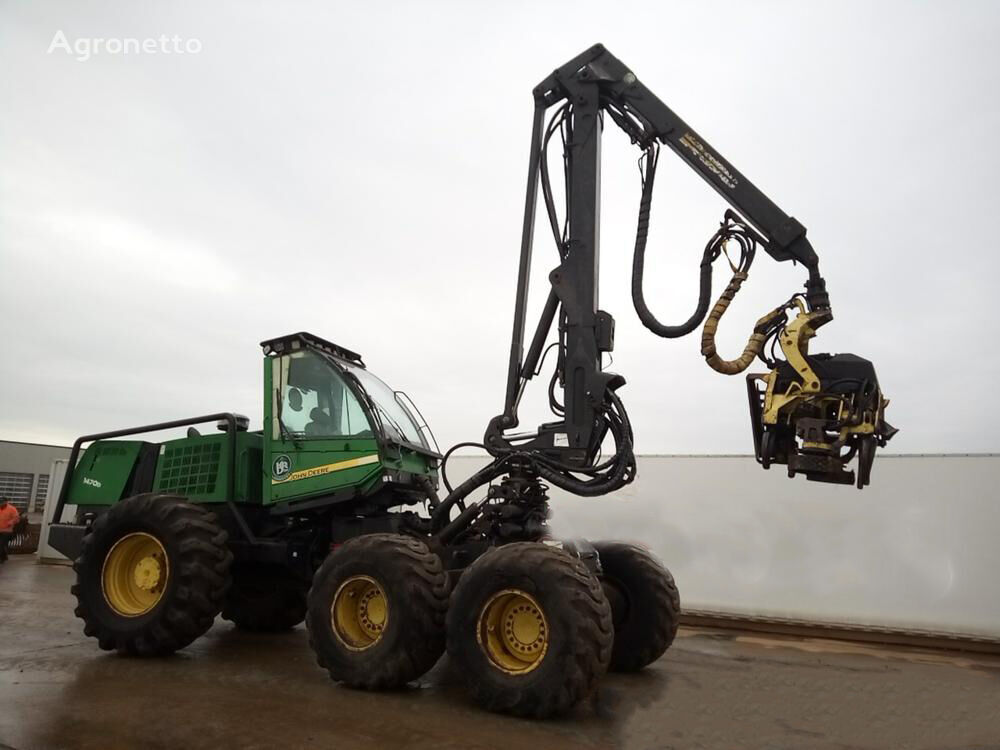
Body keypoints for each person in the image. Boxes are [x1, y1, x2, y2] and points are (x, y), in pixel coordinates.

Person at [0, 497, 20, 563]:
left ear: (6, 502)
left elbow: (17, 519)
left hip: (7, 531)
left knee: (1, 544)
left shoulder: (12, 509)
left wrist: (11, 522)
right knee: (1, 546)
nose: (1, 503)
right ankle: (4, 556)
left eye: (2, 502)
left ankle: (2, 558)